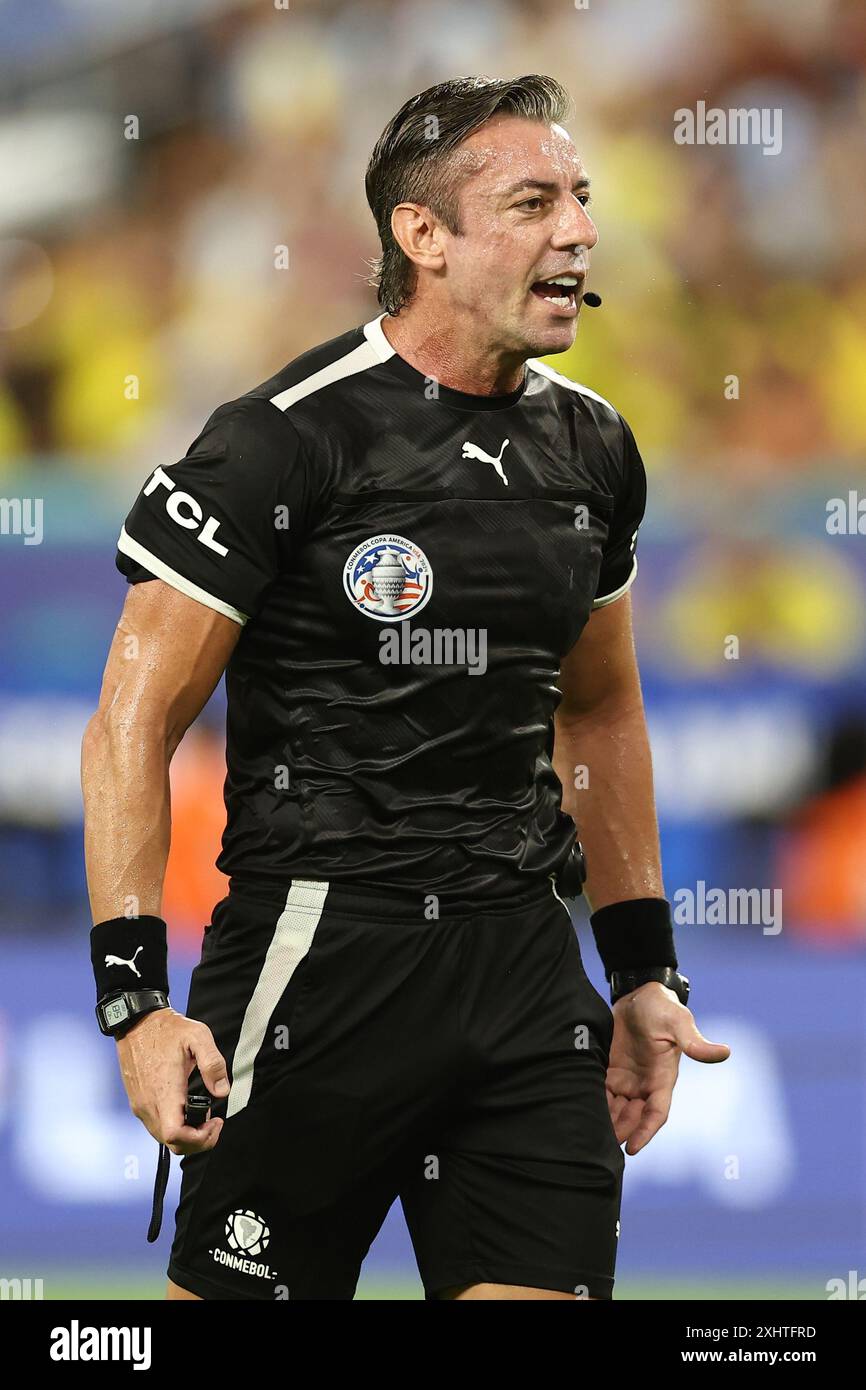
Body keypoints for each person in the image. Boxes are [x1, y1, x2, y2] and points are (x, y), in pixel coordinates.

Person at [81, 73, 729, 1302]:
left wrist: (642, 969)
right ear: (420, 236)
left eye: (580, 198)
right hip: (321, 958)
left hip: (527, 973)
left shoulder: (592, 447)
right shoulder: (281, 440)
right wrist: (135, 1004)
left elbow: (596, 713)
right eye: (532, 201)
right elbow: (131, 722)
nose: (579, 230)